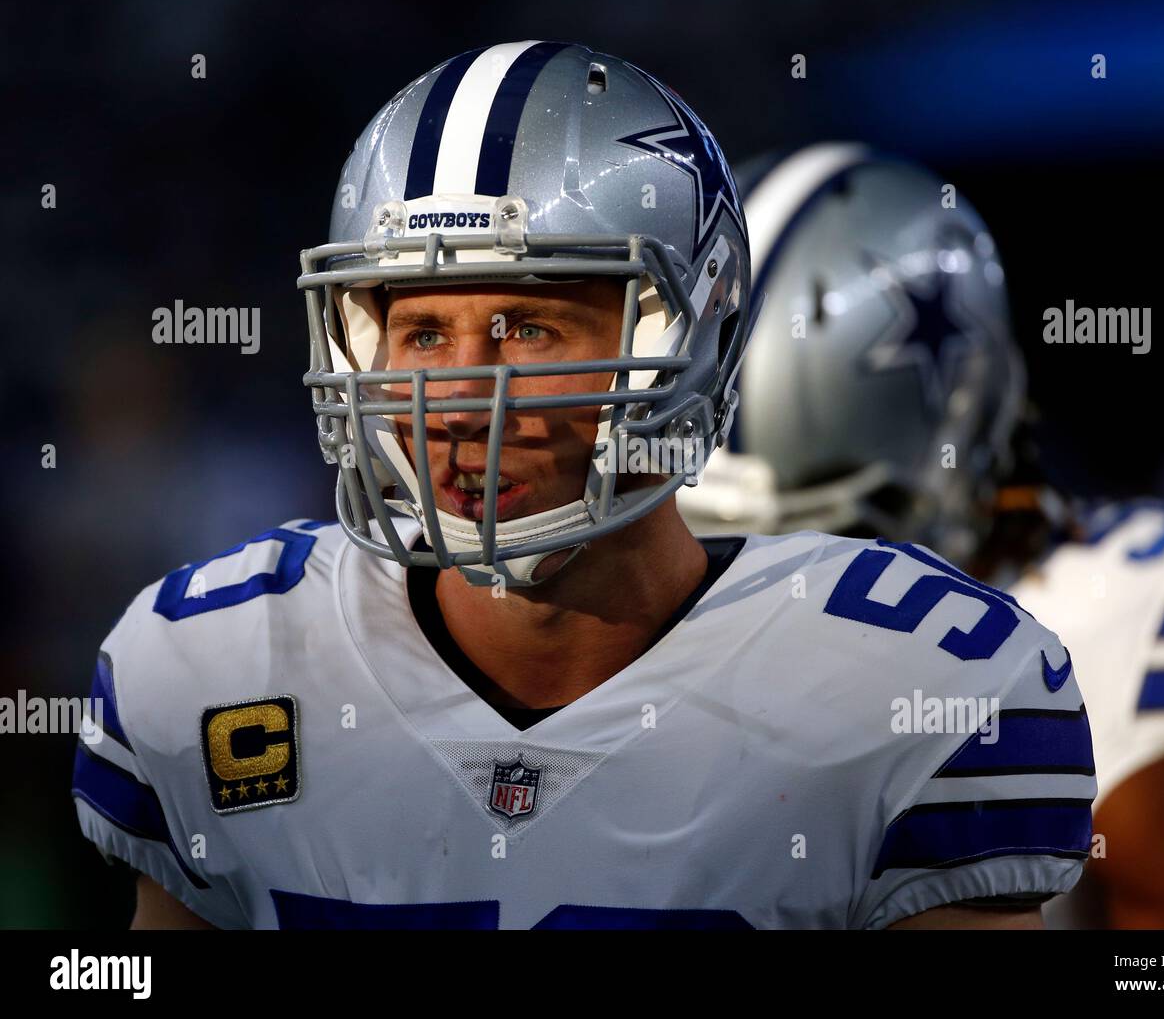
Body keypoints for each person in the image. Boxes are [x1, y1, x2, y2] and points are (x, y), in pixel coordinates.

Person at [72, 49, 1093, 930]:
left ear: (691, 338)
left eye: (530, 327)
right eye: (424, 332)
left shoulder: (913, 683)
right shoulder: (211, 659)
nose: (463, 397)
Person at [680, 142, 1164, 927]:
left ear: (952, 439)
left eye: (809, 537)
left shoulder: (1123, 622)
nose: (766, 583)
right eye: (716, 544)